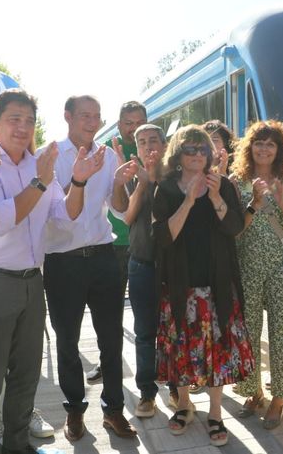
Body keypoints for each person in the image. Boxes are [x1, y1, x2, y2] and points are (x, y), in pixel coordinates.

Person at [0, 89, 105, 454]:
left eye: (29, 120)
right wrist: (39, 182)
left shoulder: (37, 164)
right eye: (14, 119)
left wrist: (79, 181)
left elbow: (65, 214)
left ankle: (17, 444)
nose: (23, 128)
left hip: (30, 280)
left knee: (25, 375)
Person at [42, 95, 139, 442]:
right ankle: (74, 410)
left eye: (96, 116)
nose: (92, 122)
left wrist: (119, 183)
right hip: (62, 261)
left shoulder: (108, 156)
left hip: (102, 256)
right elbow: (53, 210)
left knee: (111, 338)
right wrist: (79, 177)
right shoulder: (49, 156)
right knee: (67, 340)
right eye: (85, 115)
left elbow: (120, 210)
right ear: (67, 116)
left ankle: (113, 410)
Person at [152, 125, 255, 447]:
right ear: (178, 154)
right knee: (181, 345)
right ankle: (184, 405)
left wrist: (213, 196)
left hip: (217, 284)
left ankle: (215, 413)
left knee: (218, 348)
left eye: (203, 149)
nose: (197, 154)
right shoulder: (166, 189)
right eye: (190, 149)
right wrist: (188, 201)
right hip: (180, 284)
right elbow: (163, 237)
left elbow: (235, 228)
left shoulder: (223, 184)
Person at [230, 121, 283, 429]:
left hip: (281, 266)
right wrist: (254, 203)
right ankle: (253, 391)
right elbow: (234, 230)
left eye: (270, 144)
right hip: (245, 264)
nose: (264, 149)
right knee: (246, 330)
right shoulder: (236, 181)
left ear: (280, 149)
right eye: (259, 143)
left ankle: (279, 398)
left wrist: (282, 202)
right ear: (249, 147)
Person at [88, 101, 148, 384]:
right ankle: (108, 362)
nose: (133, 128)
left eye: (139, 122)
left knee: (147, 309)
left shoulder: (152, 149)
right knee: (109, 310)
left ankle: (154, 367)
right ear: (119, 124)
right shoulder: (106, 152)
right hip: (113, 242)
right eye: (128, 123)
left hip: (145, 243)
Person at [111, 123, 168, 417]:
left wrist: (156, 180)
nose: (148, 147)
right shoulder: (133, 178)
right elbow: (128, 217)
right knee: (145, 331)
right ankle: (147, 392)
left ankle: (177, 387)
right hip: (142, 264)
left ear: (165, 144)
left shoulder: (178, 176)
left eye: (153, 140)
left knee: (173, 330)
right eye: (142, 142)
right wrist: (143, 184)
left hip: (173, 267)